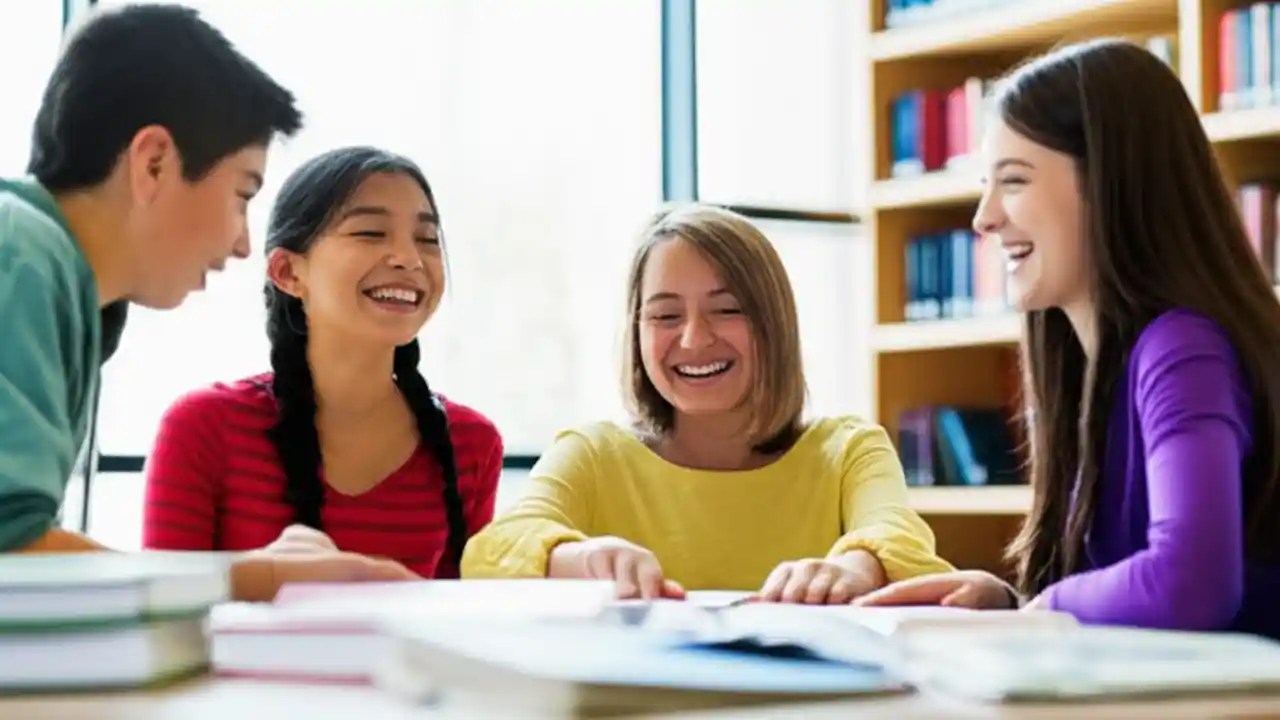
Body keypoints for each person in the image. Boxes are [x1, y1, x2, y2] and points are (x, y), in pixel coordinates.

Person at [856, 39, 1280, 639]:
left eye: (1014, 181)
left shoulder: (1183, 349)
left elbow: (1193, 583)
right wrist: (1010, 601)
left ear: (1107, 183)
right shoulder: (1091, 369)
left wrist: (1041, 612)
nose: (983, 217)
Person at [0, 4, 414, 600]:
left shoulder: (55, 278)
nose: (243, 243)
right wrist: (255, 576)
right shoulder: (25, 260)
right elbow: (13, 555)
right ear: (154, 163)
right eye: (243, 194)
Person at [462, 204, 952, 602]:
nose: (694, 339)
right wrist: (581, 558)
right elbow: (490, 553)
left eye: (727, 310)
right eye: (666, 315)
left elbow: (899, 541)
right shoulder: (593, 454)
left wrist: (852, 568)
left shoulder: (848, 450)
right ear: (637, 332)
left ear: (774, 324)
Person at [142, 146, 503, 579]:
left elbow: (461, 626)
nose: (409, 257)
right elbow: (161, 613)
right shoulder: (203, 427)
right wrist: (264, 577)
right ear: (288, 273)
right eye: (371, 233)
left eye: (426, 239)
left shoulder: (471, 444)